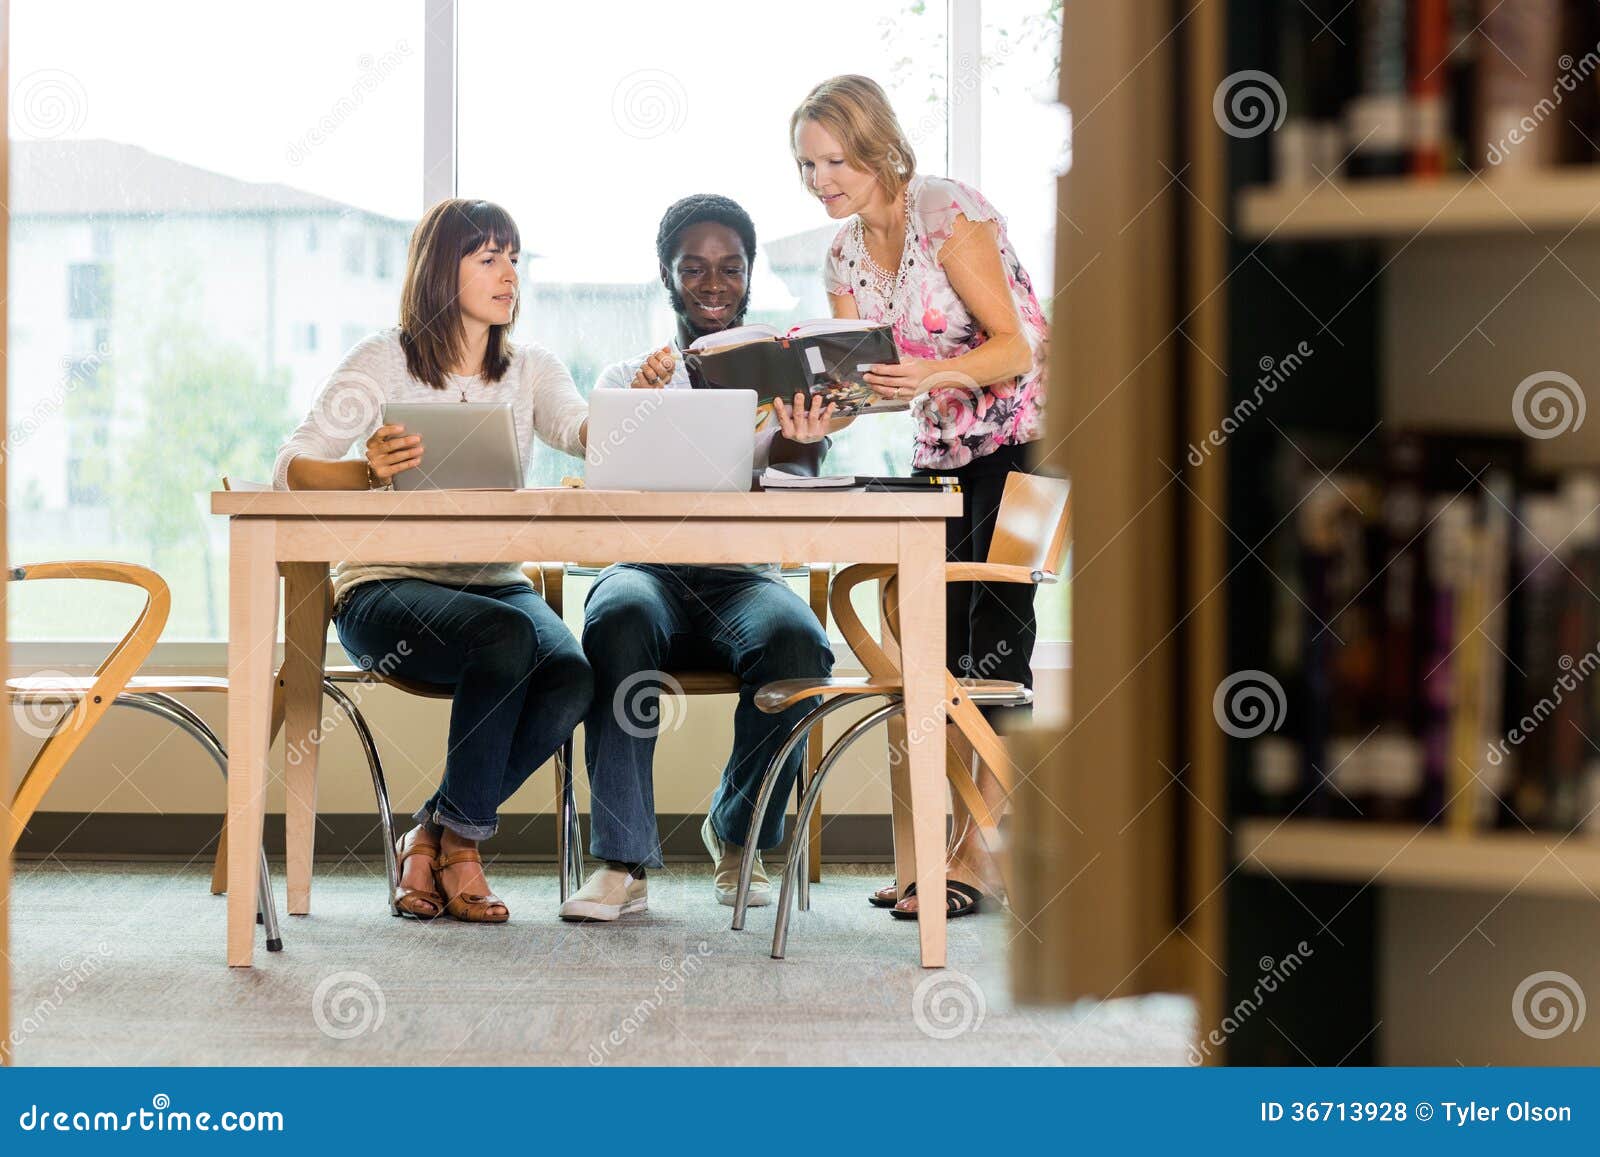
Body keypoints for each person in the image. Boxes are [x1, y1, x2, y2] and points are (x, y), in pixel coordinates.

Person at [275, 198, 593, 924]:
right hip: (385, 592)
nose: (509, 272)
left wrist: (637, 407)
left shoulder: (531, 369)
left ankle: (432, 834)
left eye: (514, 256)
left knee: (573, 674)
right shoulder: (383, 360)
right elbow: (288, 465)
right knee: (505, 638)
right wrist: (365, 470)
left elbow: (579, 427)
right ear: (438, 273)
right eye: (488, 257)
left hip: (494, 587)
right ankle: (467, 852)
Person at [792, 74, 1050, 920]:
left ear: (875, 148)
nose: (821, 180)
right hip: (941, 448)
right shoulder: (839, 255)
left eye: (835, 160)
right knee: (924, 634)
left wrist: (930, 373)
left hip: (1030, 436)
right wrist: (819, 404)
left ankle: (975, 849)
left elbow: (1014, 347)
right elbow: (875, 385)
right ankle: (945, 848)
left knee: (994, 636)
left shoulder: (944, 211)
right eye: (807, 165)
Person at [559, 194, 843, 922]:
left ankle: (737, 829)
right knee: (616, 618)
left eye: (730, 267)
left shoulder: (785, 377)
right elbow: (601, 484)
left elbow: (800, 489)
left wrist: (799, 436)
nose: (713, 284)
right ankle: (622, 861)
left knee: (799, 644)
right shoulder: (629, 376)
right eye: (694, 268)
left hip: (744, 578)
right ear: (667, 274)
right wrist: (639, 410)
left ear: (750, 275)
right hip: (644, 572)